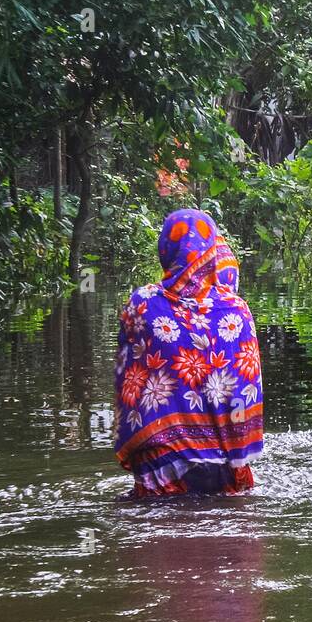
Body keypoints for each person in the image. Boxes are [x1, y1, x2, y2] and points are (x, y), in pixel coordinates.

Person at [113, 209, 263, 498]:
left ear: (166, 248)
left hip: (161, 462)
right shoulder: (237, 309)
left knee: (161, 537)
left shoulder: (142, 304)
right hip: (225, 463)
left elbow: (129, 381)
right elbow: (247, 388)